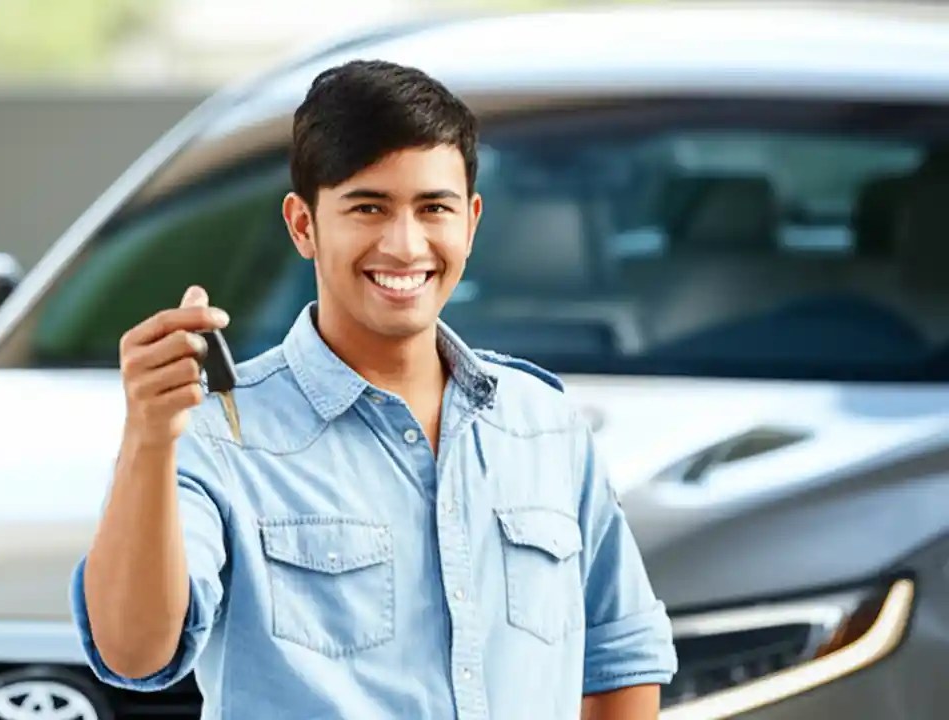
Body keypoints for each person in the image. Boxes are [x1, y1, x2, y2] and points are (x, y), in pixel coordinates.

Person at [71, 59, 677, 719]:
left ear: (470, 221)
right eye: (368, 207)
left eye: (432, 208)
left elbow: (620, 656)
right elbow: (136, 655)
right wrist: (148, 440)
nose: (404, 243)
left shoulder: (545, 427)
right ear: (304, 225)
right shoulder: (218, 434)